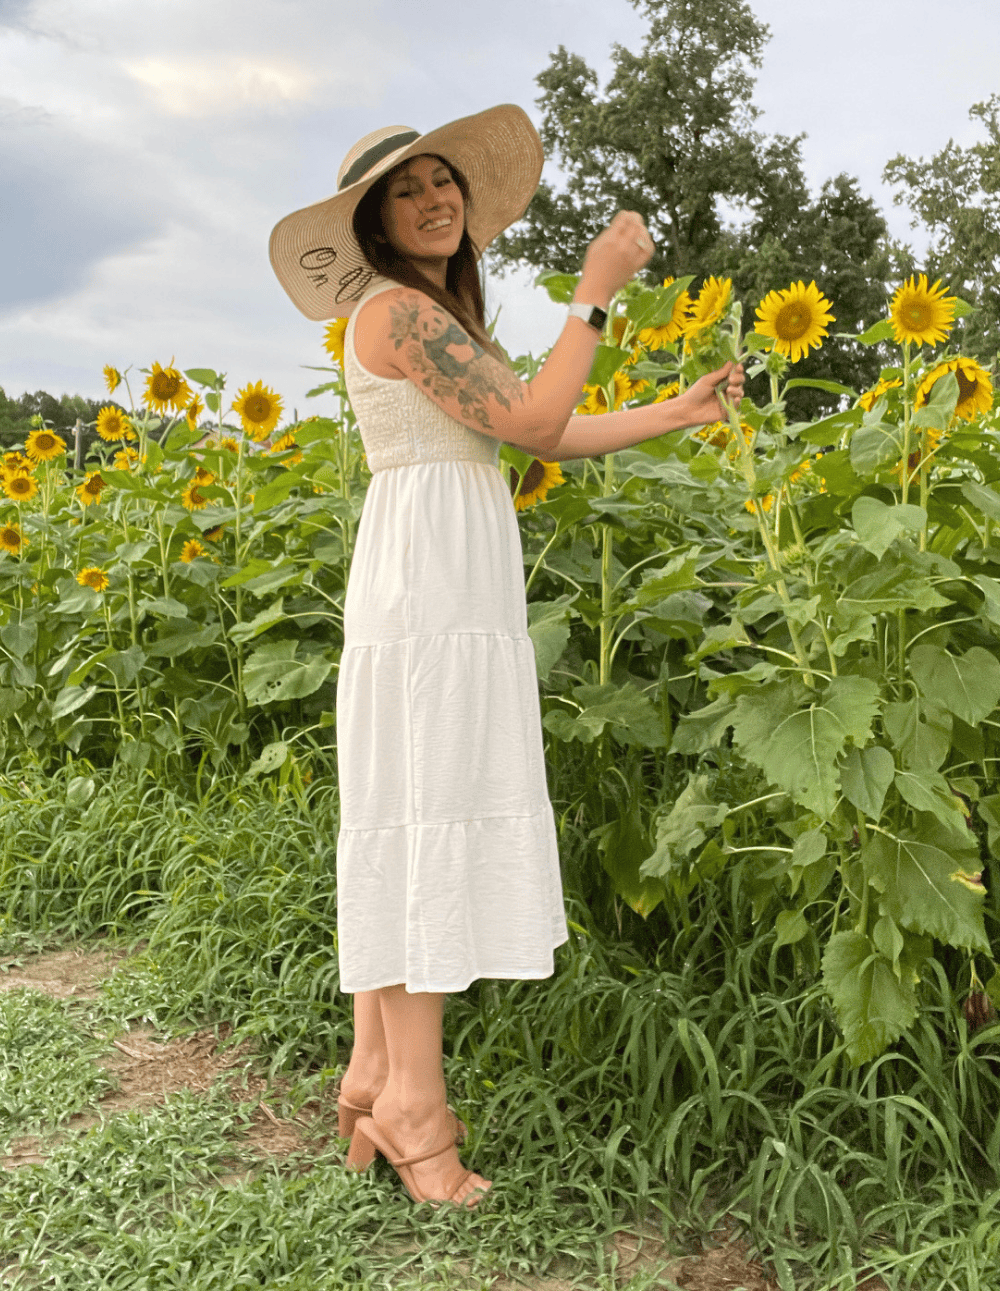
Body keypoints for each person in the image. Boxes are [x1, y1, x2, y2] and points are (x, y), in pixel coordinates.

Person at [269, 105, 744, 1208]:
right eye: (405, 190)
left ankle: (373, 1074)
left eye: (441, 180)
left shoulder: (431, 317)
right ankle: (414, 1111)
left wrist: (672, 412)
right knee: (428, 810)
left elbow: (543, 427)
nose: (433, 199)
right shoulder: (399, 313)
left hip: (438, 572)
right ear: (374, 224)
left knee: (410, 808)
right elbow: (531, 421)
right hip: (432, 587)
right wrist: (595, 291)